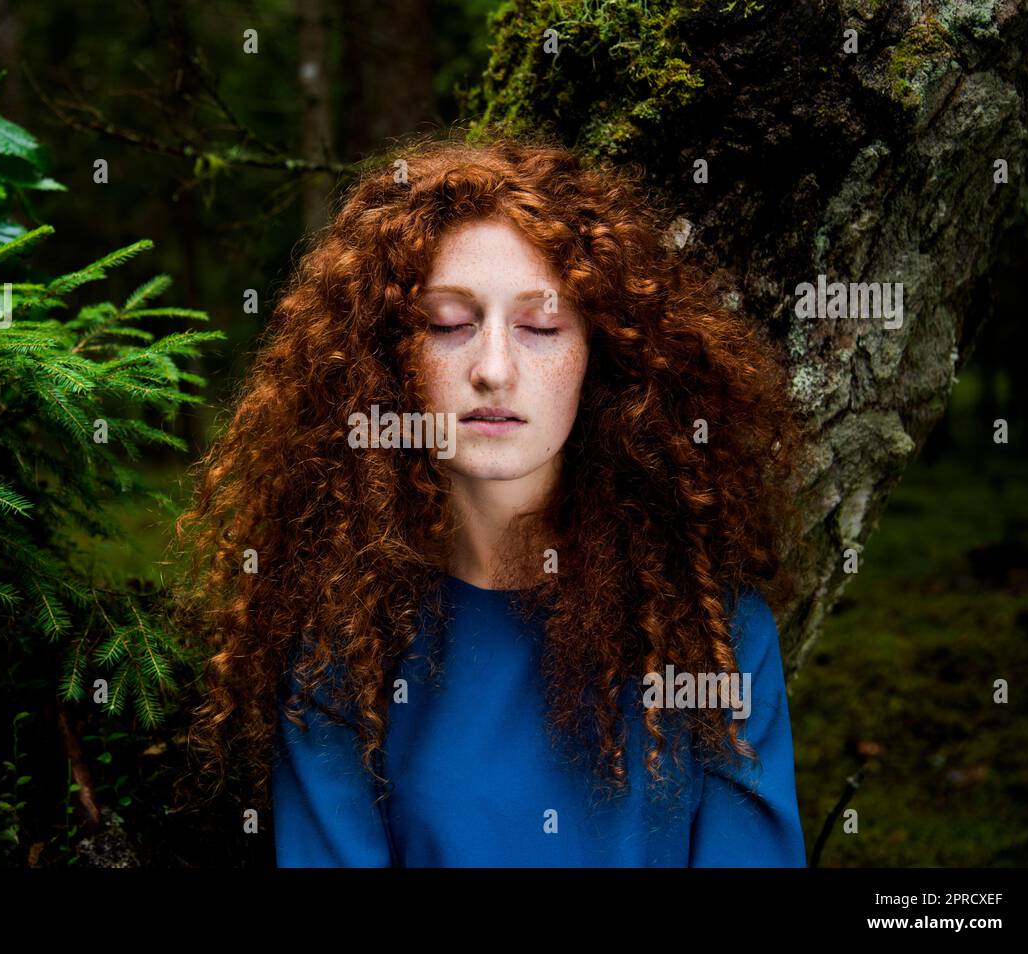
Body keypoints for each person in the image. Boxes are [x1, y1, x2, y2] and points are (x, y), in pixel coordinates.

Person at [173, 133, 808, 867]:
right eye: (449, 324)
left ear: (600, 355)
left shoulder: (715, 635)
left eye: (541, 327)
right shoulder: (342, 645)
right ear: (387, 360)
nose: (494, 369)